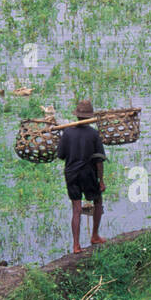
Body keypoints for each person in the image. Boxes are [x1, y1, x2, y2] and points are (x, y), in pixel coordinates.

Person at [56, 99, 107, 254]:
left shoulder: (67, 132)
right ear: (89, 117)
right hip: (88, 173)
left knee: (76, 208)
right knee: (98, 201)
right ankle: (95, 235)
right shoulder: (93, 134)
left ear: (77, 116)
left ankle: (76, 245)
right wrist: (101, 180)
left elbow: (61, 155)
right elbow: (99, 160)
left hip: (71, 173)